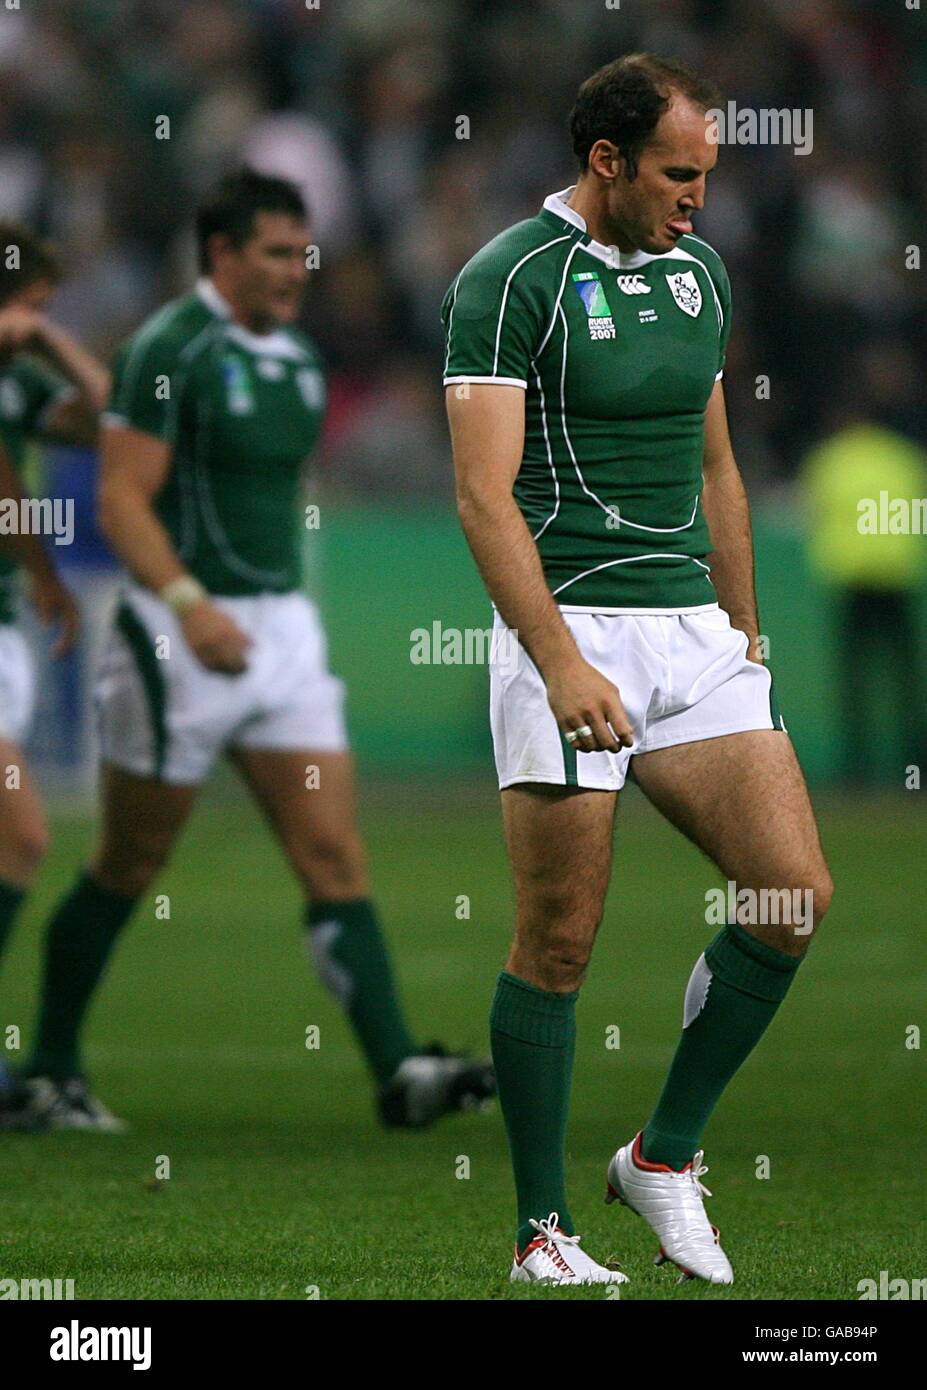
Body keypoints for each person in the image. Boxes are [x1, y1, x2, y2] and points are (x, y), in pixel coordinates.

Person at [442, 55, 833, 1286]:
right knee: (560, 940)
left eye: (708, 175)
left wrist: (746, 631)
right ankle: (539, 1231)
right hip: (568, 625)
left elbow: (716, 469)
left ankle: (662, 1158)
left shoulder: (701, 271)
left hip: (691, 635)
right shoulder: (510, 280)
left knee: (792, 897)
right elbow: (480, 492)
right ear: (605, 161)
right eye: (678, 173)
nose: (699, 197)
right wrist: (556, 661)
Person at [4, 169, 493, 1132]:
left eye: (302, 251)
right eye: (274, 252)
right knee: (129, 859)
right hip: (175, 638)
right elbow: (118, 499)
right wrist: (188, 603)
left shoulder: (298, 360)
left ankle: (399, 1071)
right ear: (221, 254)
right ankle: (51, 1068)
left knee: (332, 854)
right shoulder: (167, 347)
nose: (294, 270)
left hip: (282, 638)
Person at [0, 224, 108, 1104]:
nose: (33, 325)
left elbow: (108, 411)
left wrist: (47, 339)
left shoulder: (20, 375)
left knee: (17, 837)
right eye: (30, 306)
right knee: (23, 833)